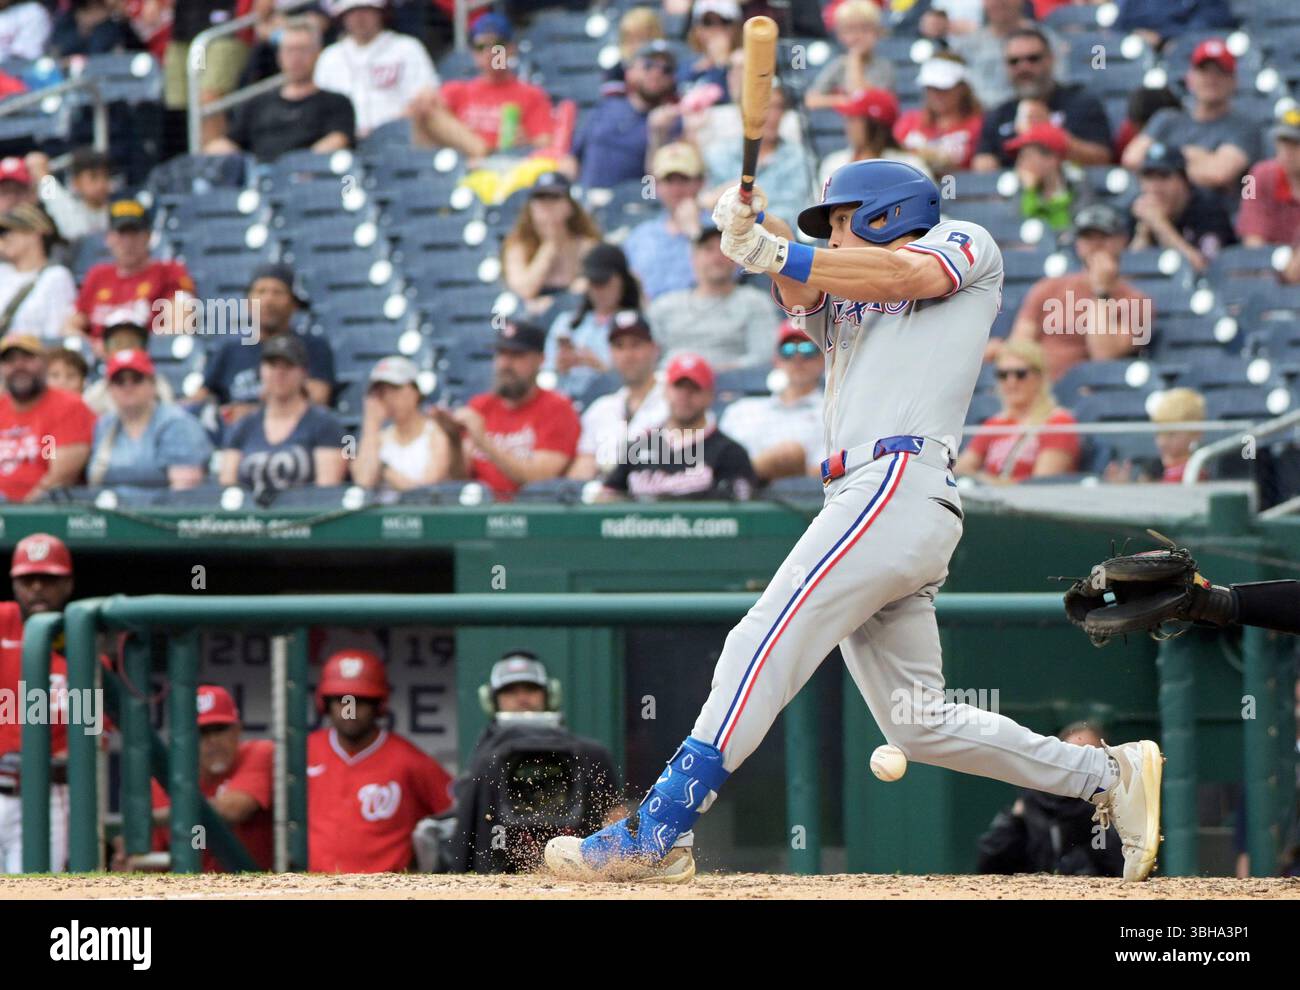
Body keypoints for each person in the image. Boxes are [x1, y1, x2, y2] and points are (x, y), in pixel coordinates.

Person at [547, 158, 1163, 884]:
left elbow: (902, 278)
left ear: (884, 215)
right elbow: (804, 286)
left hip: (897, 481)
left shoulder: (963, 244)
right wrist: (752, 227)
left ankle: (659, 828)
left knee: (762, 637)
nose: (830, 241)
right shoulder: (849, 298)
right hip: (873, 501)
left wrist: (777, 248)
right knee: (919, 724)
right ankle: (1105, 776)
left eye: (838, 223)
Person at [436, 652, 622, 874]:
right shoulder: (486, 760)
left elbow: (614, 815)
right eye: (510, 691)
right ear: (491, 700)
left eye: (531, 689)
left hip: (576, 867)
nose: (522, 698)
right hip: (501, 867)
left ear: (549, 694)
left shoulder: (591, 755)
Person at [308, 649, 454, 873]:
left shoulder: (409, 760)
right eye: (341, 700)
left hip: (384, 890)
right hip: (313, 890)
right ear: (325, 703)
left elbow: (456, 813)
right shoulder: (304, 751)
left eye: (360, 701)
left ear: (379, 704)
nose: (349, 710)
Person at [1000, 203, 1149, 381]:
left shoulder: (1137, 301)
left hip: (1090, 391)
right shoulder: (1048, 288)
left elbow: (1104, 356)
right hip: (1040, 388)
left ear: (1121, 240)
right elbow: (1020, 348)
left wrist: (1101, 292)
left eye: (1104, 236)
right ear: (1078, 244)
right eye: (1088, 237)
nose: (1096, 245)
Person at [314, 0, 480, 156]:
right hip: (346, 142)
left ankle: (483, 154)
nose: (359, 17)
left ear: (380, 12)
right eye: (353, 12)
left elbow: (425, 97)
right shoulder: (330, 56)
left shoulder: (406, 47)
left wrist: (383, 129)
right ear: (342, 16)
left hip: (399, 138)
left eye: (366, 10)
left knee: (430, 112)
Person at [0, 534, 75, 873]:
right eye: (28, 579)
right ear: (15, 584)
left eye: (48, 579)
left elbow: (93, 737)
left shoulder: (83, 640)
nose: (37, 588)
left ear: (68, 584)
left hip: (46, 797)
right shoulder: (2, 620)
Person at [142, 686, 275, 872]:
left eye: (219, 729)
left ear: (238, 730)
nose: (213, 741)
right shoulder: (159, 787)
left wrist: (154, 818)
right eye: (201, 732)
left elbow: (233, 809)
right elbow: (147, 866)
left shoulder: (259, 753)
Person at [600, 352, 757, 500]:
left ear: (710, 395)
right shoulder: (639, 447)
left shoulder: (729, 453)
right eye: (678, 387)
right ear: (666, 391)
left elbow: (740, 514)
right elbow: (607, 500)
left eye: (694, 388)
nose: (684, 396)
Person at [453, 318, 582, 497]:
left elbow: (540, 479)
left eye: (517, 355)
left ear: (541, 360)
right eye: (501, 354)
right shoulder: (480, 406)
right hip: (481, 511)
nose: (506, 364)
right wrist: (451, 441)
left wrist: (483, 442)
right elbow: (457, 479)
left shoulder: (557, 408)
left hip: (534, 515)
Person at [977, 722, 1124, 877]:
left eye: (1089, 759)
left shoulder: (1111, 812)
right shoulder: (1030, 804)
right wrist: (1014, 821)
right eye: (1074, 756)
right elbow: (990, 865)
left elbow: (1119, 868)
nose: (1080, 767)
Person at [196, 262, 336, 423]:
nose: (268, 300)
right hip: (235, 442)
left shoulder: (312, 346)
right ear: (248, 302)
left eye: (278, 292)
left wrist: (252, 414)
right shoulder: (230, 349)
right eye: (260, 292)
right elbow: (199, 398)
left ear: (294, 304)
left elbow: (318, 400)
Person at [1120, 39, 1260, 198]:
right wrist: (1197, 156)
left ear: (1234, 81)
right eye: (1204, 71)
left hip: (1213, 215)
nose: (1211, 79)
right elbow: (1132, 159)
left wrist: (1163, 159)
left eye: (1220, 72)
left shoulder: (1244, 127)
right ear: (1190, 78)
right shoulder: (1167, 119)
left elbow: (1218, 174)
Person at [204, 16, 355, 161]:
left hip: (310, 178)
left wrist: (298, 166)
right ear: (279, 55)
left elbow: (338, 139)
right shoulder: (256, 104)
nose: (296, 58)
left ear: (317, 54)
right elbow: (230, 142)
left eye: (302, 50)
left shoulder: (336, 102)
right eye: (289, 50)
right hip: (259, 179)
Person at [218, 334, 347, 501]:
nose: (279, 373)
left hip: (306, 520)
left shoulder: (327, 425)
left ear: (304, 373)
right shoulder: (243, 426)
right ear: (261, 370)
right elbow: (227, 488)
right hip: (249, 520)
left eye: (288, 365)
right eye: (272, 365)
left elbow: (326, 492)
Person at [971, 27, 1113, 171]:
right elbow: (982, 163)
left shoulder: (1082, 102)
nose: (1023, 67)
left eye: (1033, 59)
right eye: (1014, 61)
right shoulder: (998, 115)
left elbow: (1103, 158)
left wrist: (1049, 133)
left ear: (1051, 59)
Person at [647, 223, 780, 369]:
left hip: (733, 386)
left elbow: (764, 357)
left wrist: (711, 373)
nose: (717, 257)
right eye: (708, 249)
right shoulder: (663, 306)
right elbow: (647, 360)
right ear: (693, 257)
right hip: (670, 385)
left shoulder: (755, 302)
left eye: (725, 249)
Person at [67, 199, 195, 346]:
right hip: (101, 359)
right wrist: (94, 348)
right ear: (109, 238)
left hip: (147, 360)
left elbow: (181, 322)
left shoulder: (169, 271)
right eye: (122, 234)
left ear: (148, 237)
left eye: (135, 234)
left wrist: (135, 350)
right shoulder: (98, 275)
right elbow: (70, 326)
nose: (128, 243)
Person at [87, 349, 212, 493]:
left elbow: (183, 495)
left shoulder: (177, 424)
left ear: (152, 384)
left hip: (157, 513)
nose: (128, 387)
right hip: (108, 510)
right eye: (119, 381)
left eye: (137, 379)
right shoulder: (105, 425)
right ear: (109, 388)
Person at [957, 338, 1081, 483]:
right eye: (1003, 375)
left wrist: (985, 482)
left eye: (1020, 374)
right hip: (994, 502)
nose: (1011, 382)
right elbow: (960, 471)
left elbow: (1041, 485)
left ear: (1039, 377)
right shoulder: (995, 424)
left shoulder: (1058, 423)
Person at [567, 310, 668, 481]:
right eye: (619, 346)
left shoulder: (676, 397)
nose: (628, 355)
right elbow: (584, 466)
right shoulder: (601, 408)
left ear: (654, 349)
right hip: (606, 499)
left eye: (636, 345)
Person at [437, 12, 555, 157]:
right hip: (463, 166)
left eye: (496, 46)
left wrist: (529, 141)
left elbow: (547, 142)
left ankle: (483, 153)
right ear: (473, 52)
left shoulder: (530, 94)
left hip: (506, 169)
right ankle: (481, 151)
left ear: (510, 49)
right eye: (480, 47)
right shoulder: (456, 91)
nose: (489, 53)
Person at [718, 324, 824, 481]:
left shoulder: (834, 412)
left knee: (790, 452)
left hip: (811, 500)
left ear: (823, 357)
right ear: (777, 360)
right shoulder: (741, 410)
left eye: (808, 350)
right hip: (738, 498)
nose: (798, 358)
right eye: (787, 350)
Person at [568, 41, 679, 190]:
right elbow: (572, 157)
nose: (656, 73)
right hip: (587, 201)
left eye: (666, 69)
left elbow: (655, 187)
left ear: (672, 79)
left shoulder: (674, 121)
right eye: (648, 65)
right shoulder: (606, 106)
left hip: (635, 206)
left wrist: (658, 135)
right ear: (630, 71)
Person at [701, 82, 814, 227]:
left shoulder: (799, 157)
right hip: (720, 240)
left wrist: (740, 207)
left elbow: (790, 215)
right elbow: (703, 208)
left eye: (778, 107)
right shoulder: (718, 154)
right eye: (765, 107)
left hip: (773, 242)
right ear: (744, 111)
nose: (773, 115)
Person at [0, 334, 94, 502]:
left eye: (27, 358)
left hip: (43, 513)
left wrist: (15, 515)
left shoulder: (69, 406)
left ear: (44, 364)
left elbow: (60, 478)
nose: (18, 366)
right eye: (10, 360)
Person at [165, 1, 273, 147]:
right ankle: (191, 162)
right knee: (177, 105)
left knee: (207, 99)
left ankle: (214, 161)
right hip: (184, 31)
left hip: (221, 30)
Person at [545, 244, 642, 398]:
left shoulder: (636, 327)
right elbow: (544, 375)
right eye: (593, 283)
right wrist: (558, 368)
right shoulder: (565, 323)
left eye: (604, 283)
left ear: (622, 280)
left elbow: (642, 380)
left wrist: (601, 369)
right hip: (565, 403)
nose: (598, 290)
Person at [353, 355, 458, 491]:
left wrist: (384, 468)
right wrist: (371, 424)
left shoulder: (435, 434)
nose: (388, 397)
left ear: (415, 391)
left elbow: (425, 492)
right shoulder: (377, 439)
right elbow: (363, 482)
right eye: (381, 392)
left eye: (395, 389)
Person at [1129, 142, 1236, 272]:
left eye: (1163, 176)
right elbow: (1130, 275)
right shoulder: (1141, 209)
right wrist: (1143, 234)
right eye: (1148, 177)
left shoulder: (1209, 211)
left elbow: (1206, 270)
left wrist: (1160, 225)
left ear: (1184, 180)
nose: (1154, 187)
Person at [501, 172, 601, 310]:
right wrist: (550, 246)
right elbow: (524, 291)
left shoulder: (586, 247)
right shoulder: (518, 247)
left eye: (554, 197)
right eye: (540, 198)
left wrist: (555, 303)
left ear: (570, 206)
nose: (547, 206)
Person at [622, 142, 706, 301]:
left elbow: (727, 277)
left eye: (684, 179)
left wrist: (695, 233)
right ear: (657, 186)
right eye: (668, 181)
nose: (676, 189)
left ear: (700, 182)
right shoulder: (641, 235)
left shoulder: (719, 229)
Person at [952, 0, 1062, 110]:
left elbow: (1059, 82)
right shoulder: (967, 46)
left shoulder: (1047, 39)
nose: (1000, 2)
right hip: (982, 118)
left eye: (1033, 58)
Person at [818, 87, 931, 189]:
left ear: (875, 126)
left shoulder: (910, 168)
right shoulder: (834, 164)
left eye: (854, 119)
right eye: (848, 118)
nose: (847, 125)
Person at [892, 56, 984, 173]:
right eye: (930, 88)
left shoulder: (977, 125)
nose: (936, 94)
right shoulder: (909, 121)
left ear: (961, 89)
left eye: (944, 88)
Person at [0, 204, 76, 342]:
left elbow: (55, 335)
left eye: (9, 231)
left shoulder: (56, 276)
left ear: (36, 233)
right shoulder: (2, 272)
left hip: (31, 357)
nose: (4, 238)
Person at [81, 311, 177, 415]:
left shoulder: (159, 387)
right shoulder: (94, 394)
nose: (125, 348)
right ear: (105, 350)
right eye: (117, 343)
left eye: (132, 342)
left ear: (144, 349)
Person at [803, 0, 893, 110]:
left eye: (865, 29)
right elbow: (811, 100)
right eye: (850, 30)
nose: (857, 36)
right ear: (840, 34)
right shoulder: (838, 64)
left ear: (877, 32)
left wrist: (855, 58)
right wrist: (841, 100)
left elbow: (860, 96)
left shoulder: (883, 67)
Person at [1236, 107, 1300, 249]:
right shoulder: (1257, 175)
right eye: (1283, 142)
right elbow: (1252, 240)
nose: (1288, 151)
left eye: (1296, 144)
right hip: (1269, 266)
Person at [1005, 122, 1082, 231]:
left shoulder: (1078, 185)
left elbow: (1065, 228)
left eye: (1027, 157)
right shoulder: (1022, 190)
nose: (1019, 164)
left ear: (1052, 159)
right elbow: (1020, 229)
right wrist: (1030, 191)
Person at [27, 148, 112, 244]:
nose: (101, 184)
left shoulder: (116, 210)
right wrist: (42, 175)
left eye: (106, 177)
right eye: (93, 177)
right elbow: (53, 198)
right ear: (76, 182)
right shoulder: (70, 208)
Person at [680, 0, 741, 98]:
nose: (716, 28)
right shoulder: (687, 65)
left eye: (724, 21)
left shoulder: (744, 61)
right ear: (697, 29)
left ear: (736, 27)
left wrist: (724, 64)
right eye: (707, 22)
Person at [601, 6, 664, 98]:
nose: (636, 44)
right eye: (630, 38)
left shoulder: (668, 68)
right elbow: (614, 107)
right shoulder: (616, 72)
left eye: (642, 38)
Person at [48, 0, 143, 57]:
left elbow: (133, 49)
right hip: (70, 78)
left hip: (107, 76)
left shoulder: (114, 23)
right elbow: (55, 50)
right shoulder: (68, 19)